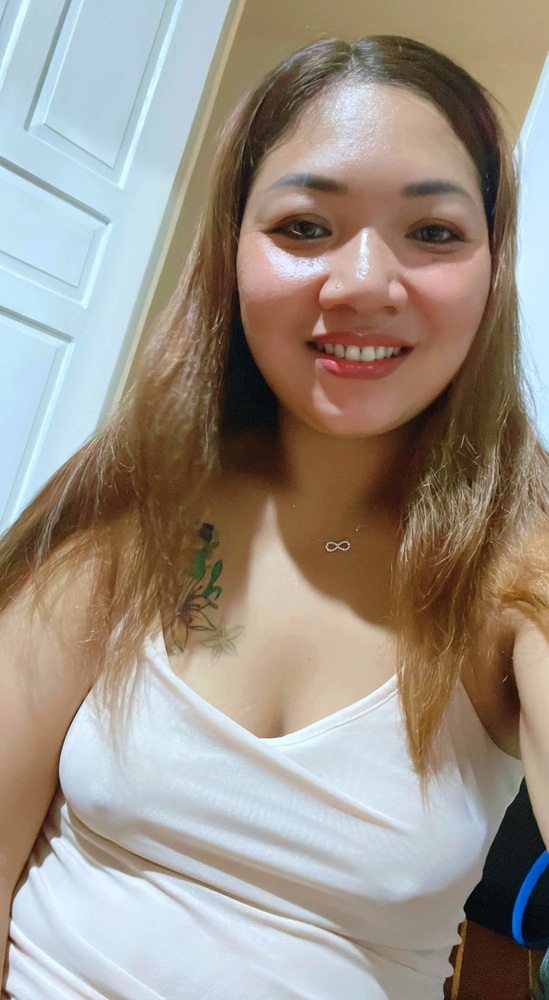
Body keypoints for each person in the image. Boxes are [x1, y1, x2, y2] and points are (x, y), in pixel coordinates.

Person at [1, 33, 549, 1000]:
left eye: (432, 233)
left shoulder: (520, 568)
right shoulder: (136, 501)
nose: (364, 283)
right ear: (231, 251)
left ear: (492, 267)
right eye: (304, 227)